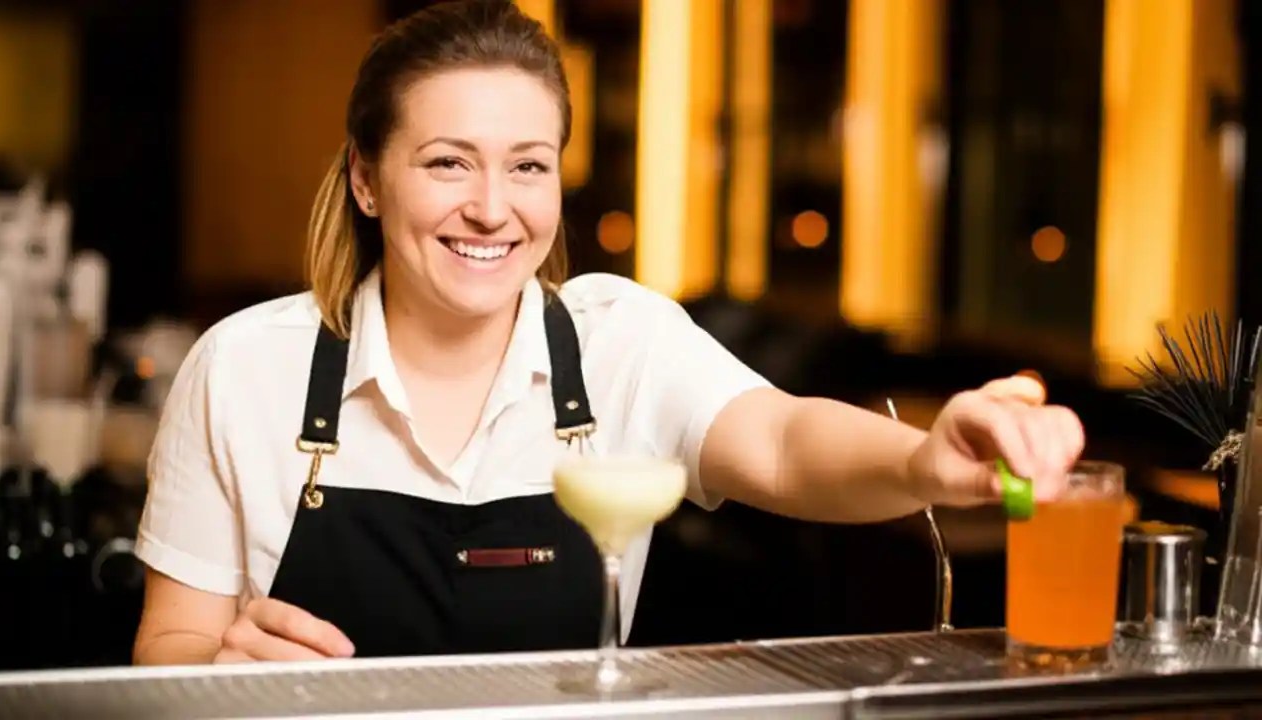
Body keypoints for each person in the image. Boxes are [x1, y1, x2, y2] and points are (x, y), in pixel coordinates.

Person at [131, 0, 1083, 666]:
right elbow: (165, 648)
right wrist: (223, 666)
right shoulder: (246, 368)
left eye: (529, 167)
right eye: (448, 163)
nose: (492, 209)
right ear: (367, 179)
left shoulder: (618, 341)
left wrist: (926, 462)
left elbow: (786, 444)